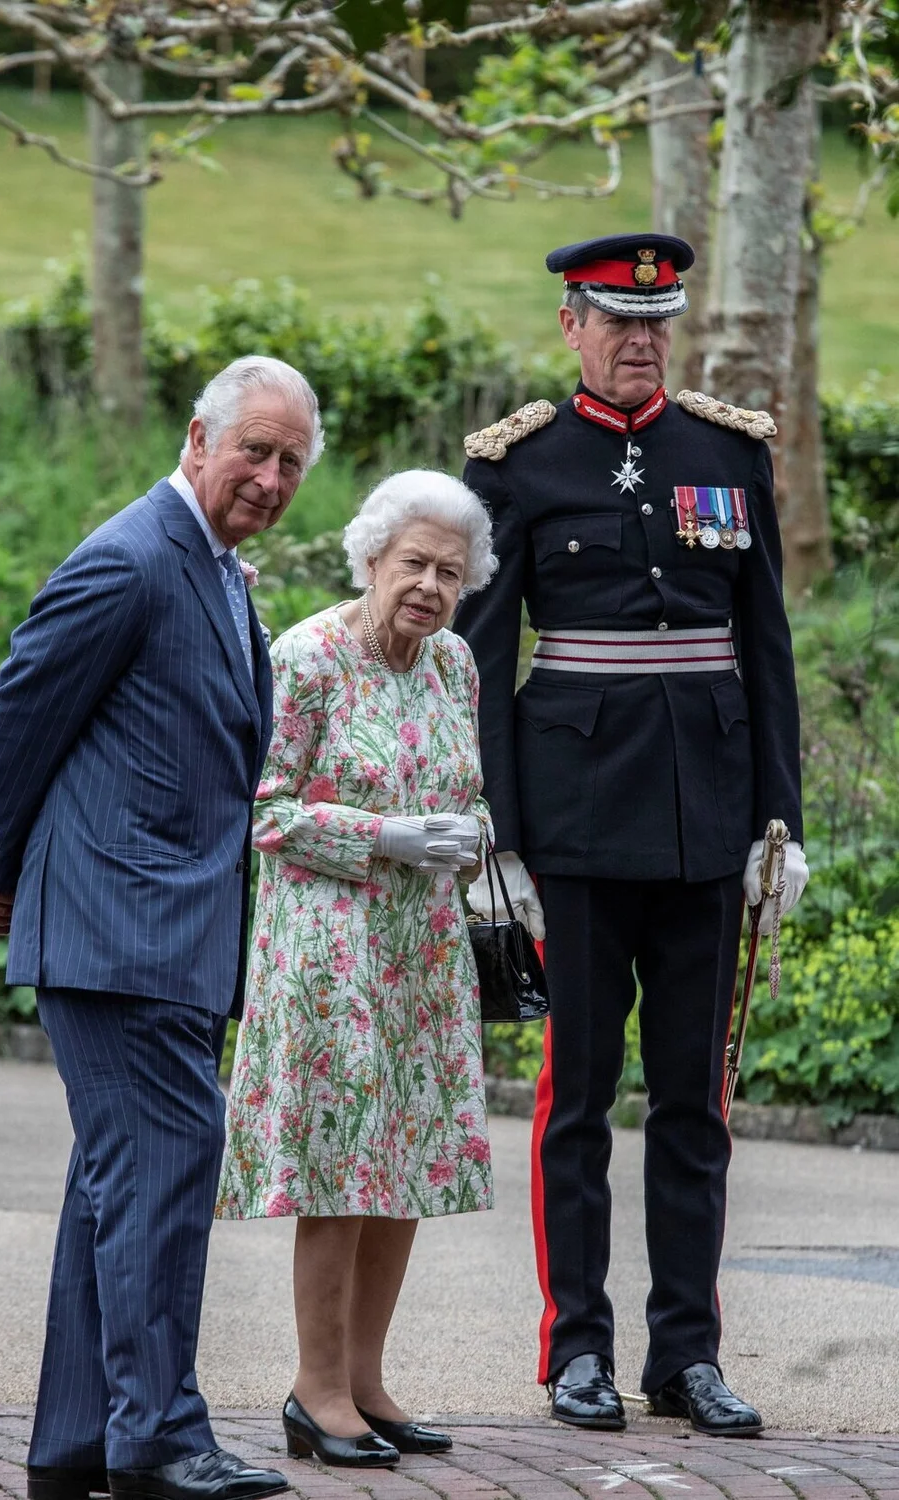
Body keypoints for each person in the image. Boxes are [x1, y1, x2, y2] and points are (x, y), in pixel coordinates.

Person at [455, 235, 809, 1439]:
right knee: (576, 1103)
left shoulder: (728, 453)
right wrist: (498, 839)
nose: (640, 337)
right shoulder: (517, 467)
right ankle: (577, 1352)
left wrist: (779, 822)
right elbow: (482, 661)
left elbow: (766, 655)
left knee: (694, 1106)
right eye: (616, 317)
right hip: (575, 829)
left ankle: (685, 1356)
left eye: (657, 318)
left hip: (707, 822)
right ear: (570, 326)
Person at [0, 355, 324, 1500]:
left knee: (117, 1186)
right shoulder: (129, 557)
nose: (266, 476)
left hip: (165, 927)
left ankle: (77, 1443)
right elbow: (20, 710)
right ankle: (159, 1438)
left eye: (289, 463)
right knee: (165, 1168)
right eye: (252, 450)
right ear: (196, 437)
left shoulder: (212, 567)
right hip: (118, 929)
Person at [215, 470, 497, 1469]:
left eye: (449, 573)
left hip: (422, 955)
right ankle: (315, 1389)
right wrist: (383, 835)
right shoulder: (307, 657)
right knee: (340, 1167)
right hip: (329, 953)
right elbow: (263, 808)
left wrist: (467, 836)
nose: (428, 585)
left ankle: (368, 1381)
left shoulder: (455, 664)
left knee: (406, 1164)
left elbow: (462, 787)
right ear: (371, 558)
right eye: (413, 563)